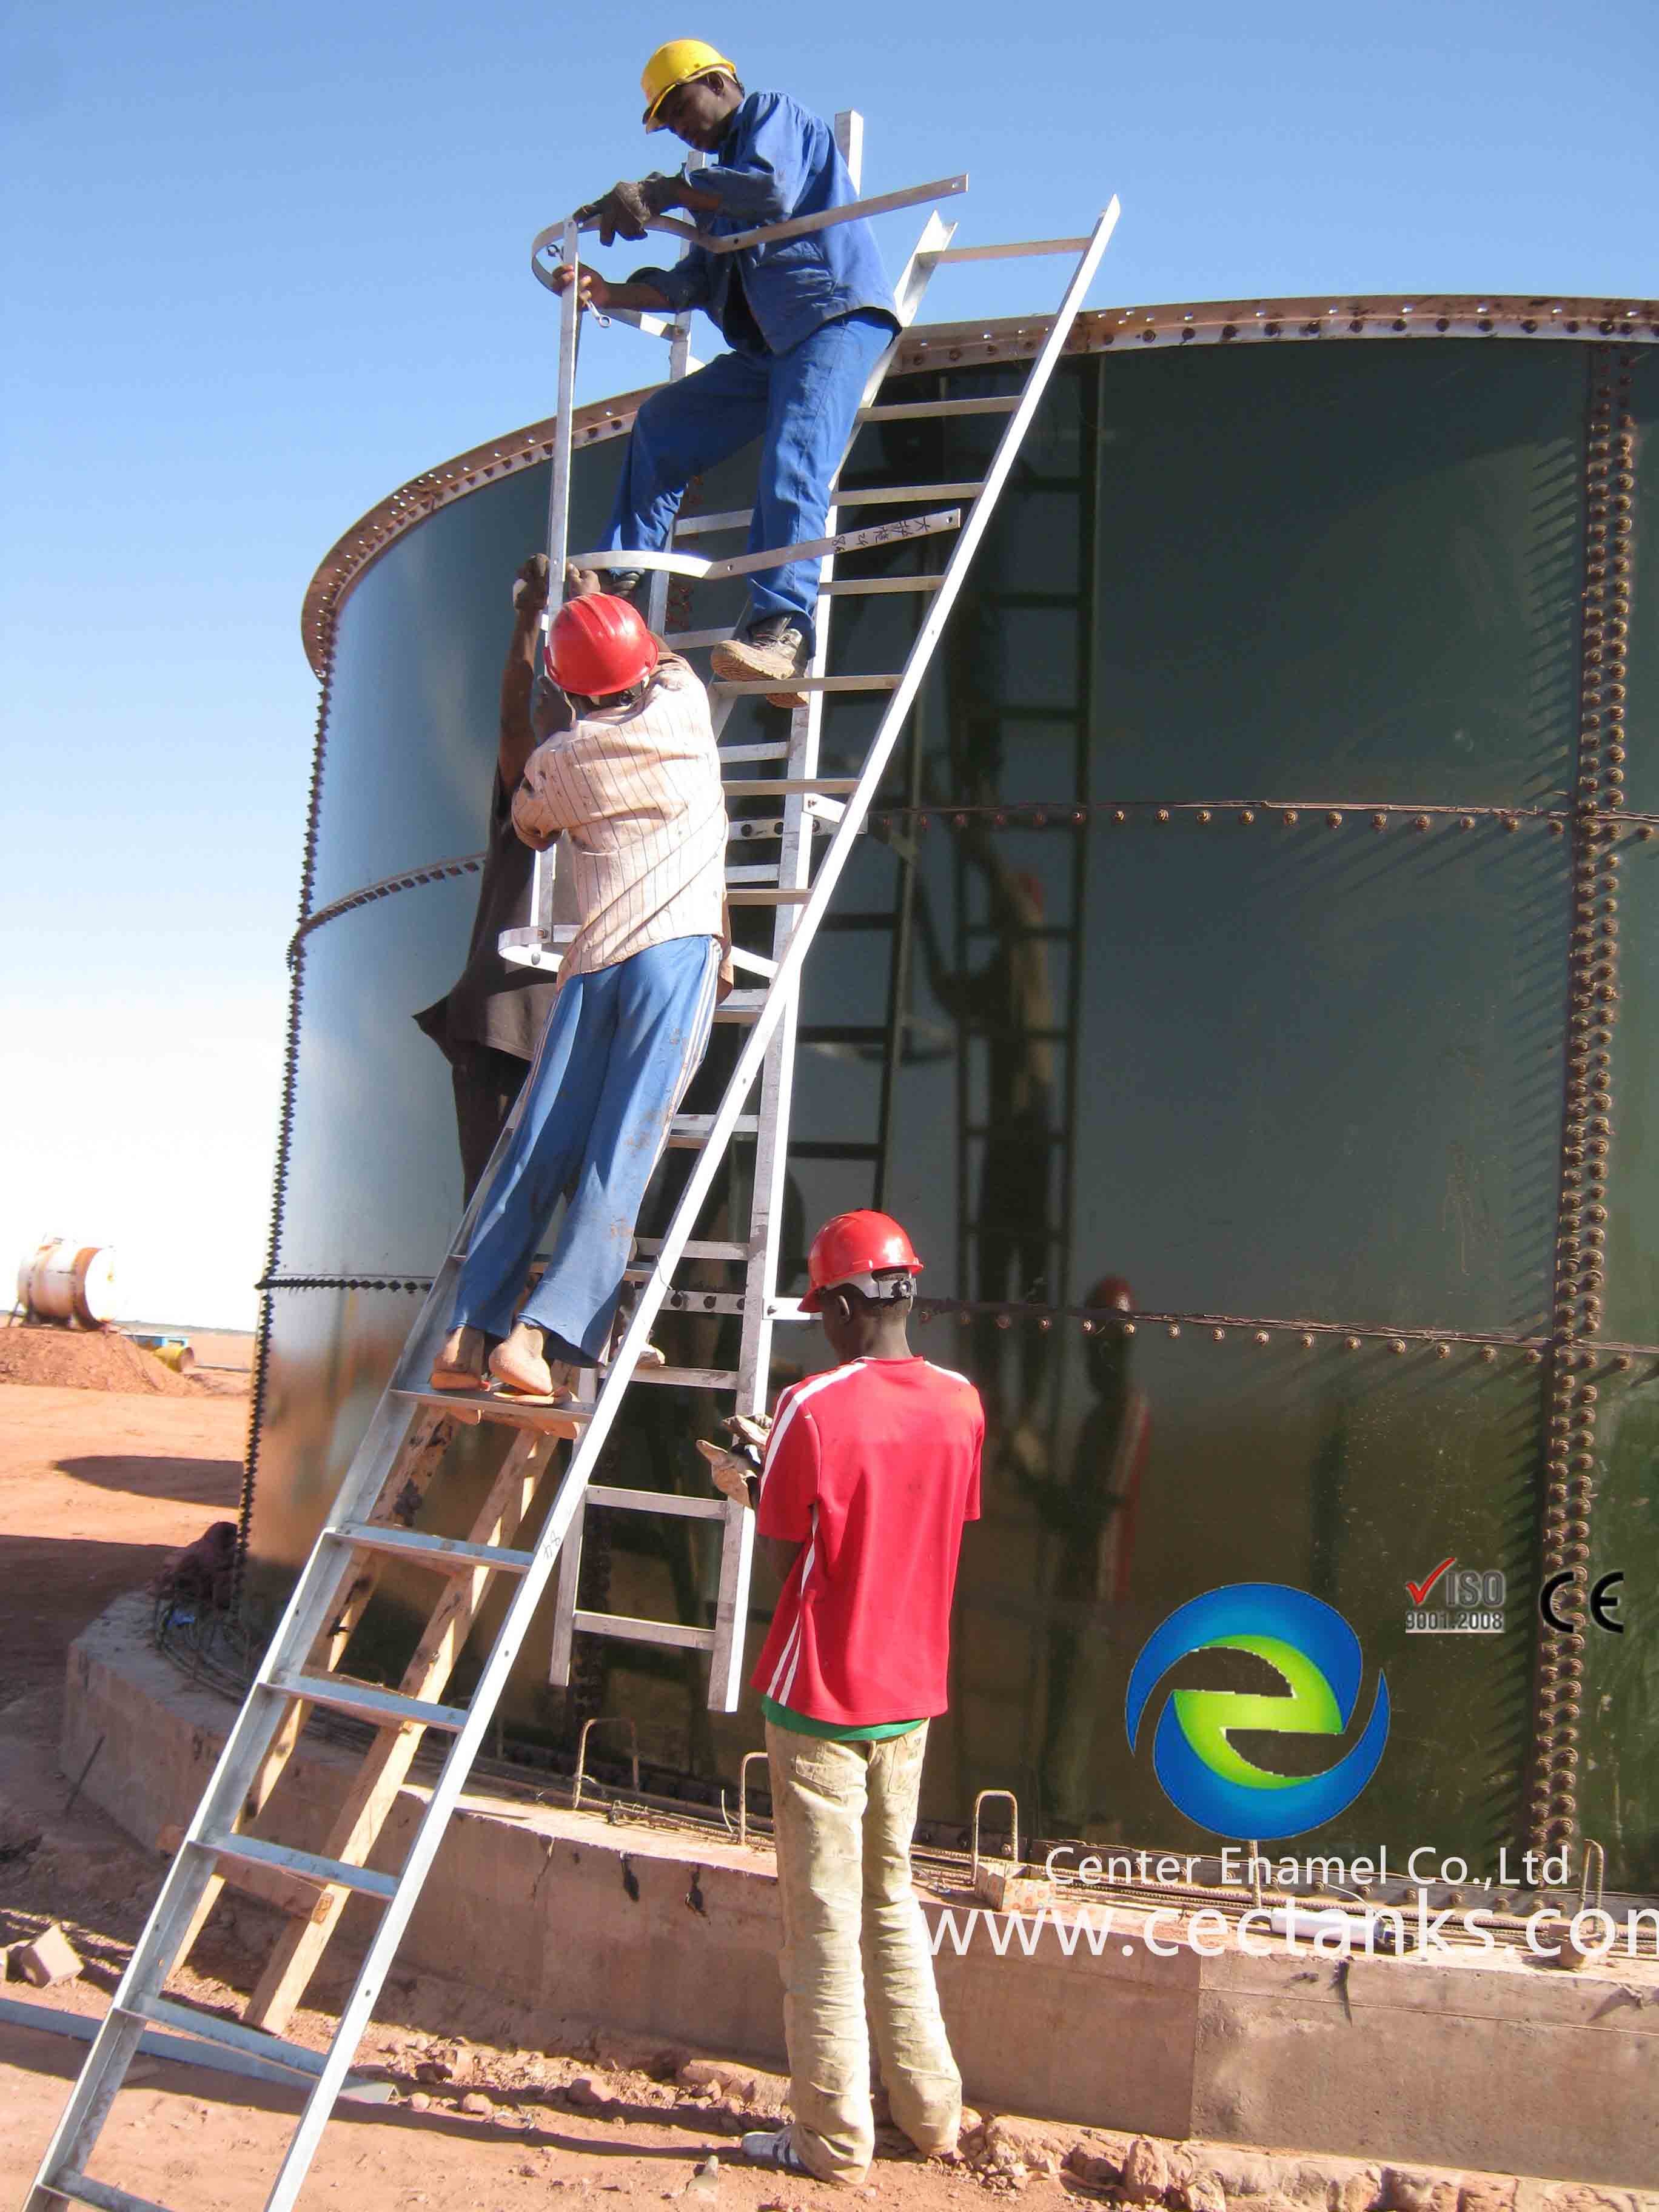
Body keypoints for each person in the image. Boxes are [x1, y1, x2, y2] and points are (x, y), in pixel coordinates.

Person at [709, 1210, 982, 2186]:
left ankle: (831, 2141)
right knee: (891, 1896)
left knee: (821, 1920)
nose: (819, 1321)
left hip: (820, 1691)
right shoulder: (962, 1402)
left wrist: (746, 1478)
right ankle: (932, 2112)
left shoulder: (812, 1404)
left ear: (843, 1305)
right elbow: (922, 1515)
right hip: (911, 1693)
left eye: (821, 1305)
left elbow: (790, 1528)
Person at [429, 588, 728, 1402]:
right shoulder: (683, 710)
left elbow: (529, 824)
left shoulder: (557, 763)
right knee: (622, 1150)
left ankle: (468, 1330)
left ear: (568, 688)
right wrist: (600, 602)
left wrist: (550, 638)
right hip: (672, 955)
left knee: (539, 1145)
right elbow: (664, 657)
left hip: (591, 967)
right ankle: (537, 1337)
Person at [552, 39, 901, 706]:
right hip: (771, 346)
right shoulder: (711, 192)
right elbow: (692, 281)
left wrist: (665, 192)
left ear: (718, 82)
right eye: (667, 122)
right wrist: (608, 291)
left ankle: (782, 630)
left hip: (830, 317)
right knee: (664, 423)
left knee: (794, 456)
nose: (680, 128)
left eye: (681, 108)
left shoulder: (772, 114)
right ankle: (618, 578)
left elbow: (771, 189)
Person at [414, 554, 571, 1198]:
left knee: (594, 1213)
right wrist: (529, 620)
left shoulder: (620, 800)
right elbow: (512, 719)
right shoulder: (529, 798)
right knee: (491, 1206)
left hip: (576, 1030)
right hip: (505, 1025)